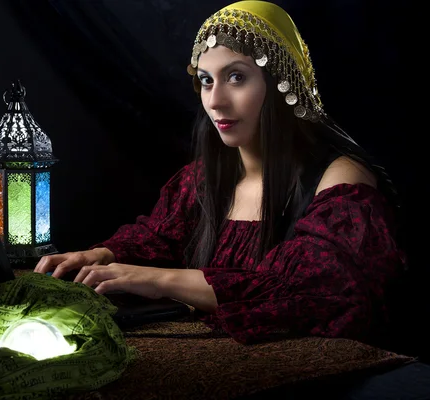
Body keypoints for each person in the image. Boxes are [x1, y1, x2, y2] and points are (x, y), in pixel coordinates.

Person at [33, 0, 406, 348]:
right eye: (207, 80)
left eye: (237, 78)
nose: (215, 101)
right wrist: (102, 255)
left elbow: (314, 290)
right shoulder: (204, 178)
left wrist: (157, 280)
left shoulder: (341, 182)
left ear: (282, 85)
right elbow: (158, 238)